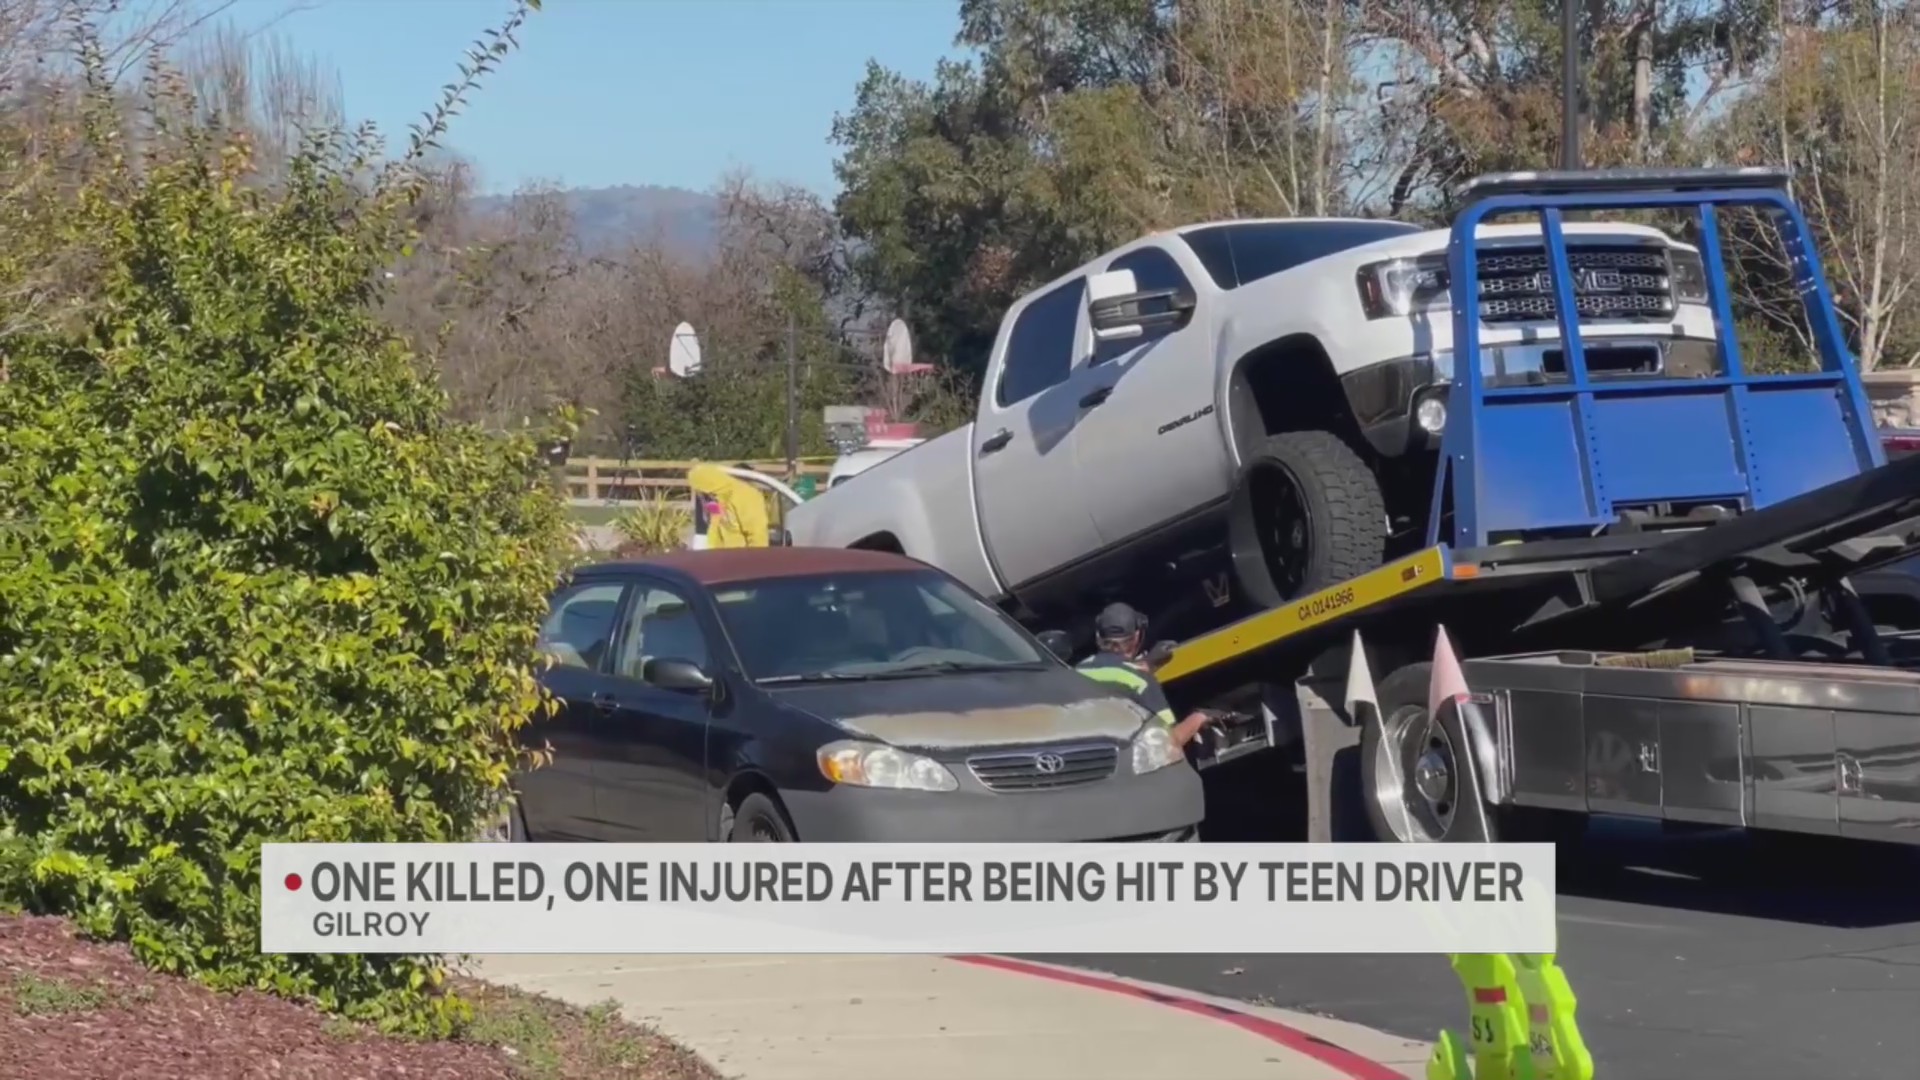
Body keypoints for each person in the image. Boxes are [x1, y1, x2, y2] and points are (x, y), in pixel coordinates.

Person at [1075, 601, 1215, 750]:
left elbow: (1112, 675)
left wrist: (1145, 666)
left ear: (1098, 638)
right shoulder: (1140, 681)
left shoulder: (1076, 672)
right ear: (1136, 637)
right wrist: (1199, 718)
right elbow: (1167, 743)